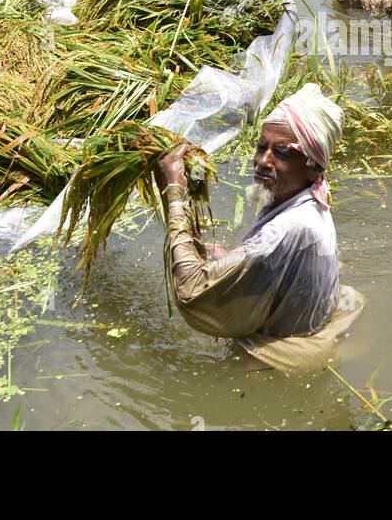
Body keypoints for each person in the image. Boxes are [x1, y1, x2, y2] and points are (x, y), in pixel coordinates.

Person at [152, 84, 363, 371]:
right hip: (316, 329)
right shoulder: (307, 200)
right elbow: (273, 264)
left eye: (282, 153)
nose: (263, 162)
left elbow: (191, 292)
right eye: (262, 147)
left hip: (280, 361)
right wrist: (231, 260)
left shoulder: (290, 228)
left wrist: (175, 189)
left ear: (314, 166)